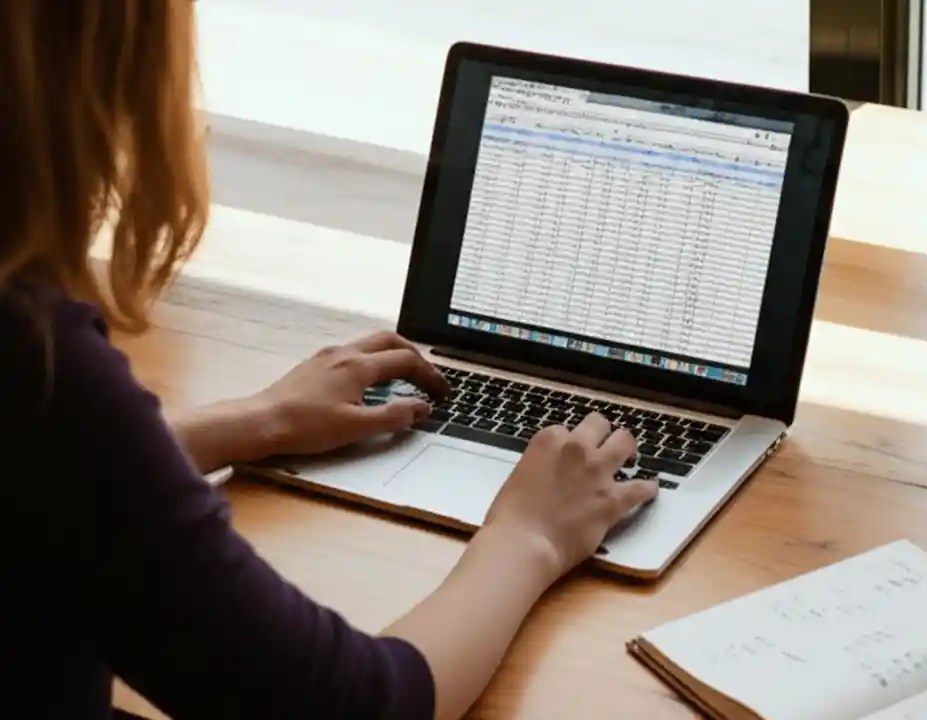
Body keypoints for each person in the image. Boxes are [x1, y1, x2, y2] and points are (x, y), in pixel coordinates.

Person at [0, 2, 658, 718]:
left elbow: (45, 483)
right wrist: (528, 536)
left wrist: (251, 421)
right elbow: (351, 705)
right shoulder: (40, 369)